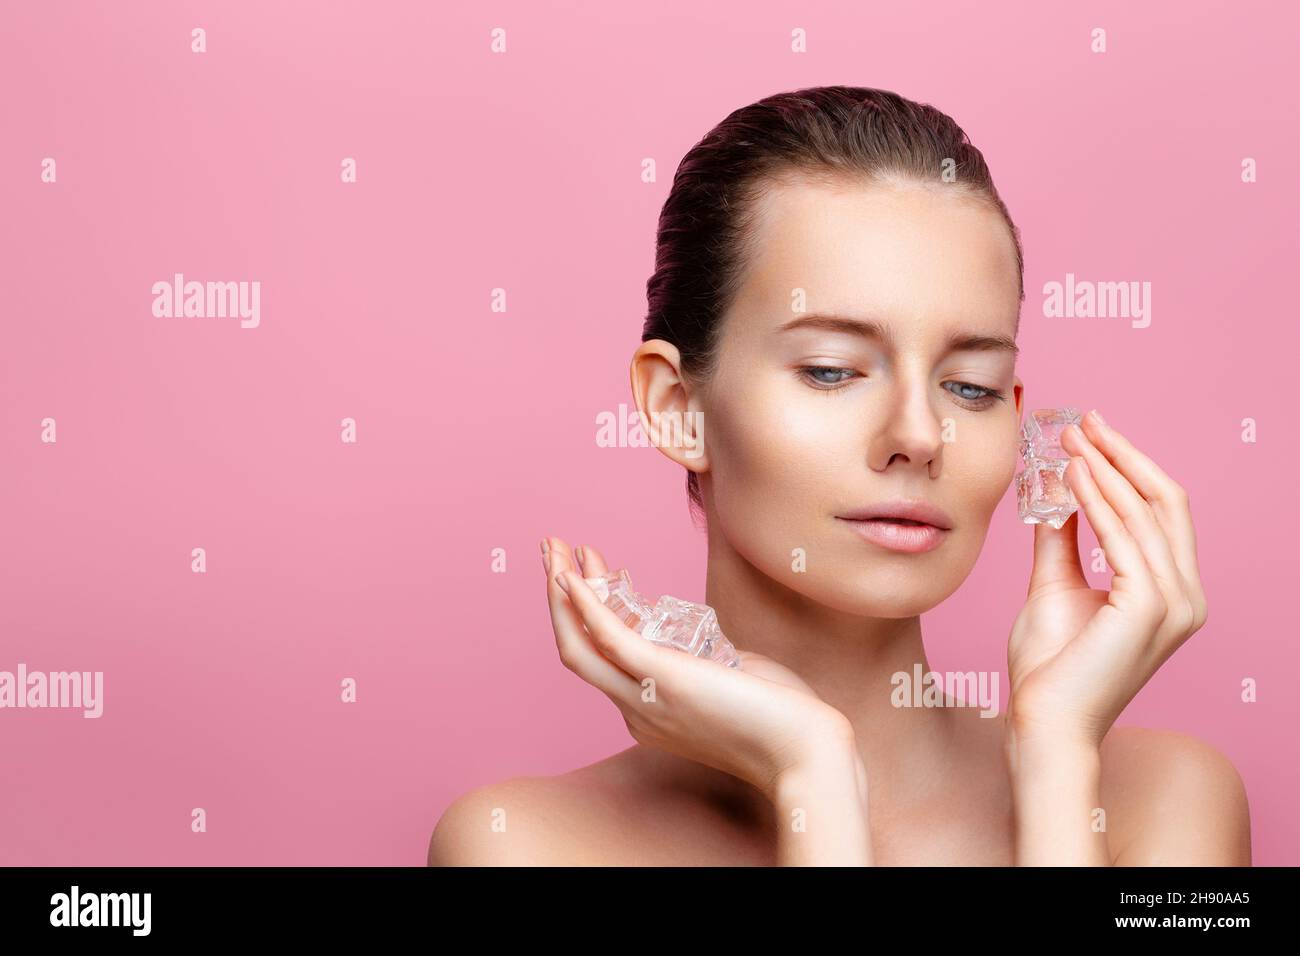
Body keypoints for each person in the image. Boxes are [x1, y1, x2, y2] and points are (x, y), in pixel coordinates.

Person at [428, 86, 1249, 866]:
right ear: (677, 407)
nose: (921, 436)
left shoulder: (1165, 802)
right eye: (830, 370)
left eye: (970, 386)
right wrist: (811, 775)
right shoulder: (525, 845)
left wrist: (1058, 756)